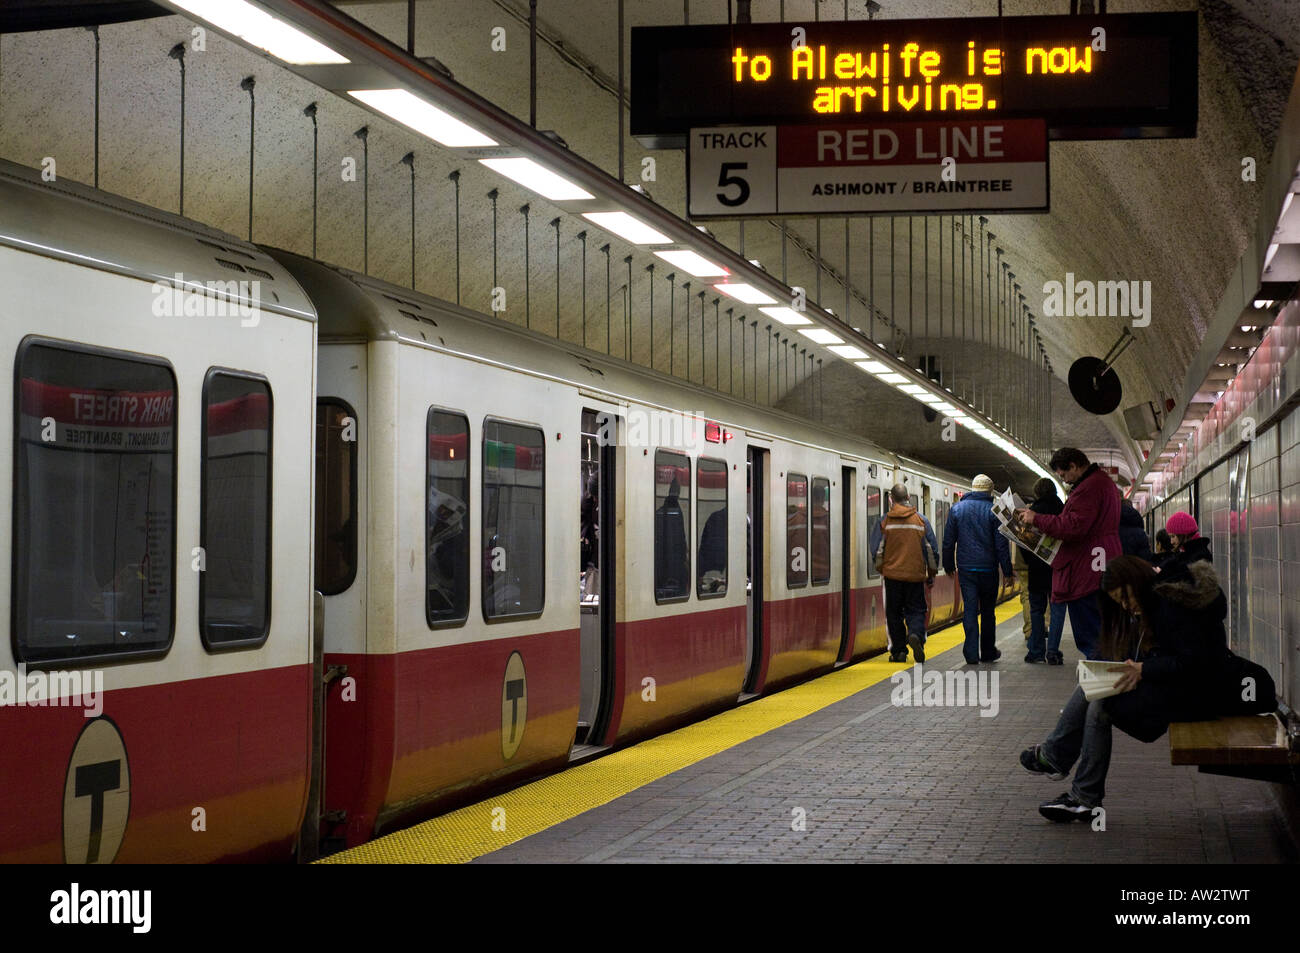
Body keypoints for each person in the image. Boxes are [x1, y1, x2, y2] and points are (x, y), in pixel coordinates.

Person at [1019, 555, 1231, 821]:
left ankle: (1077, 787)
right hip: (1179, 688)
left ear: (1136, 581)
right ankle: (1066, 773)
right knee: (1094, 687)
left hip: (1199, 695)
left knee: (1102, 705)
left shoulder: (1171, 606)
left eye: (1125, 597)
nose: (1126, 606)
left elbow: (1195, 663)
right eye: (1119, 601)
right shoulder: (1155, 600)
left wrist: (1143, 669)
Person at [1015, 448, 1121, 661]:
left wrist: (1037, 519)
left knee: (1089, 635)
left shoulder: (1089, 488)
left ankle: (1102, 684)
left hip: (1086, 570)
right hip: (1096, 563)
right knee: (1097, 632)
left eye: (1064, 475)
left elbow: (1073, 526)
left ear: (1074, 466)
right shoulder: (1100, 483)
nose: (1064, 480)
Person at [942, 474, 1013, 664]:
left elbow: (949, 541)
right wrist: (1007, 572)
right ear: (990, 491)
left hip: (966, 569)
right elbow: (1001, 545)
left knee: (970, 610)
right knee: (988, 612)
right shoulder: (994, 511)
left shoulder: (957, 509)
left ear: (972, 490)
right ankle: (988, 651)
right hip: (988, 569)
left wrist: (948, 564)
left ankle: (971, 654)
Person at [869, 483, 939, 664]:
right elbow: (932, 550)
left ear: (891, 499)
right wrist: (931, 573)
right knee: (916, 610)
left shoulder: (884, 522)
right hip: (915, 576)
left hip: (892, 577)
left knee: (894, 614)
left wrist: (882, 569)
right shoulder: (921, 521)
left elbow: (876, 549)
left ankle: (899, 651)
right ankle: (915, 635)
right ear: (908, 498)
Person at [1022, 478, 1067, 665]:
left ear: (1037, 493)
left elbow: (1024, 542)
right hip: (1059, 568)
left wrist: (1030, 561)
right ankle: (1053, 651)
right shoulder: (1064, 510)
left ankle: (1036, 651)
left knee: (1037, 610)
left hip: (1037, 569)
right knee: (1057, 609)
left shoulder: (1032, 512)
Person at [1160, 511, 1211, 575]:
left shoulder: (1200, 556)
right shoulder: (1187, 552)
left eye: (1173, 536)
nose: (1171, 542)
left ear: (1184, 535)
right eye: (1170, 537)